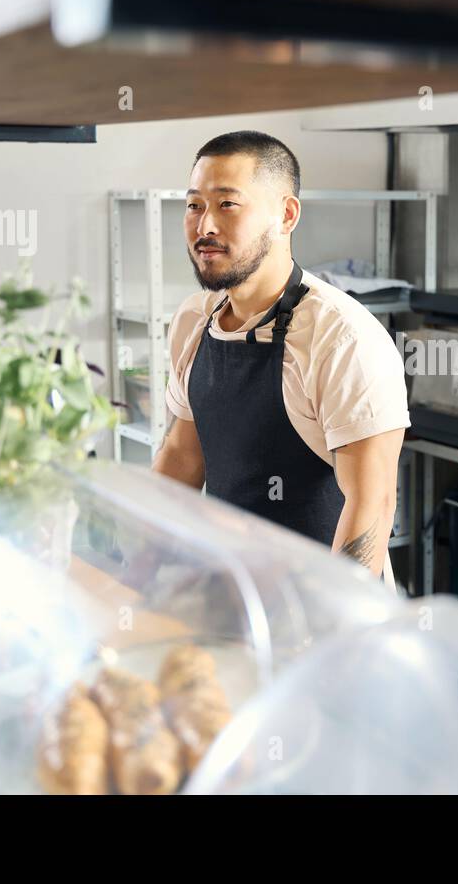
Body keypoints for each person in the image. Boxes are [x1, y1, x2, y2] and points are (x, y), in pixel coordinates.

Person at [153, 130, 409, 589]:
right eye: (194, 205)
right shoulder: (194, 319)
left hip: (327, 607)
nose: (204, 226)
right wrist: (132, 575)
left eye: (227, 204)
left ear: (286, 215)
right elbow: (181, 459)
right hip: (235, 593)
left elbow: (372, 505)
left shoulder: (342, 338)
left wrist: (333, 631)